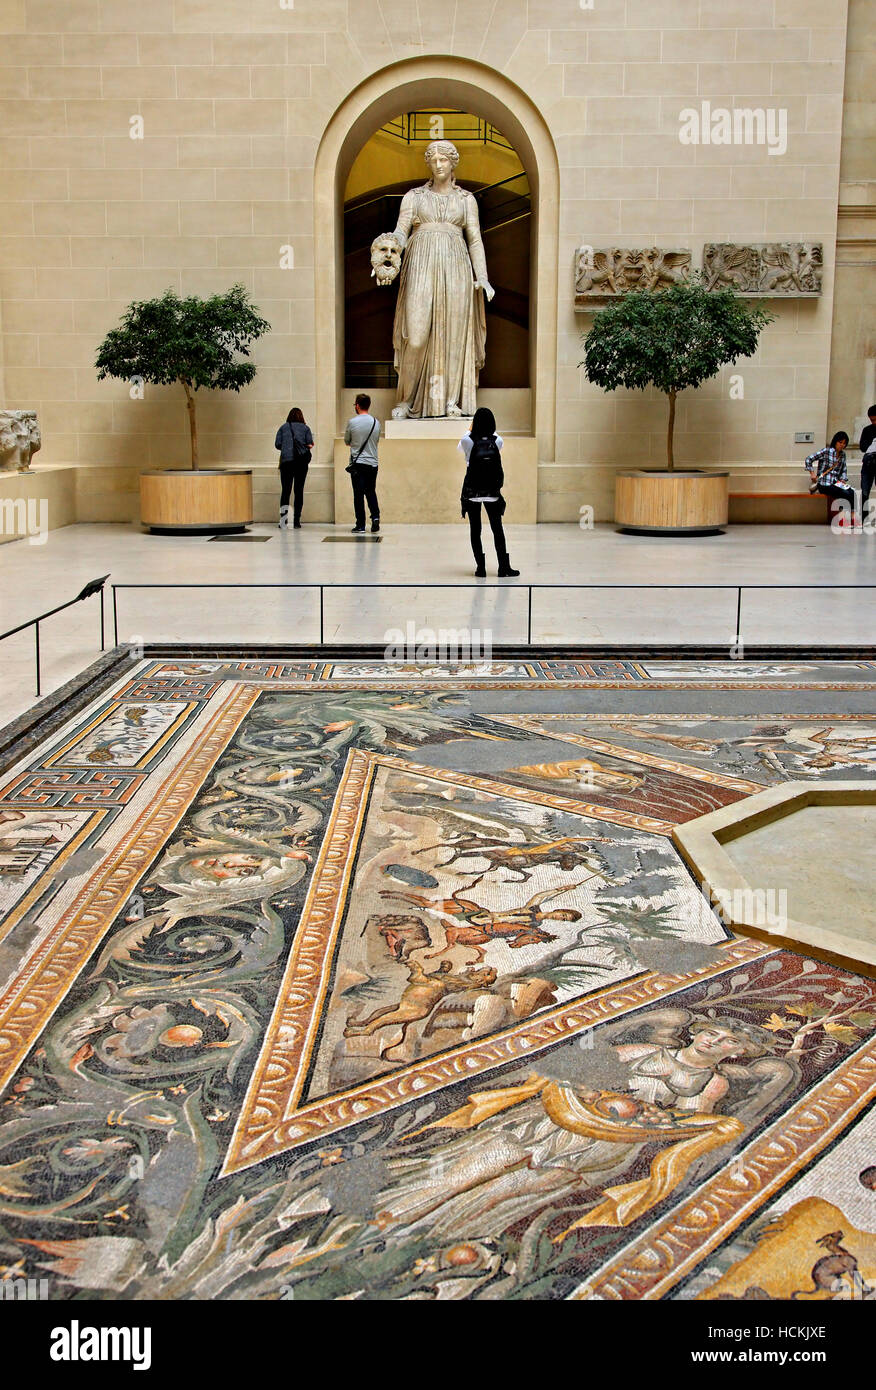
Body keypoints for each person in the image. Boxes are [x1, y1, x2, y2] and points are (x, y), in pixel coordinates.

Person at [371, 140, 494, 420]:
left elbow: (474, 239)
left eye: (444, 160)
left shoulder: (466, 200)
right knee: (415, 337)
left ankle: (450, 401)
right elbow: (401, 231)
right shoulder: (413, 197)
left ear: (453, 163)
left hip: (456, 266)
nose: (438, 164)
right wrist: (388, 252)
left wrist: (483, 277)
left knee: (452, 336)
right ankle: (407, 399)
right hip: (420, 264)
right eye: (434, 160)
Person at [459, 406, 518, 577]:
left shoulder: (467, 441)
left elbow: (465, 441)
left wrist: (471, 428)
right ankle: (503, 567)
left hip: (472, 492)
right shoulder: (498, 441)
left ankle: (481, 567)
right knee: (497, 530)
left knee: (475, 530)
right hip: (492, 492)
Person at [805, 431, 858, 529]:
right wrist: (812, 473)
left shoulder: (843, 455)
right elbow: (809, 459)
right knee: (843, 493)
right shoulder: (826, 451)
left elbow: (843, 469)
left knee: (852, 492)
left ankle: (853, 519)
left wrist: (843, 479)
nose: (842, 445)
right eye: (840, 442)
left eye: (844, 443)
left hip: (835, 483)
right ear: (835, 442)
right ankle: (843, 520)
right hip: (824, 483)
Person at [344, 392, 381, 534]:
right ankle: (375, 517)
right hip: (373, 463)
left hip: (358, 463)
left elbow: (347, 441)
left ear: (357, 406)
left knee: (358, 494)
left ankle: (360, 524)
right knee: (371, 491)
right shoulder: (375, 423)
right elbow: (376, 441)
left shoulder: (352, 422)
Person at [274, 407, 313, 529]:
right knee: (298, 490)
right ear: (301, 416)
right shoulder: (306, 428)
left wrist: (287, 447)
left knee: (286, 491)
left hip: (286, 462)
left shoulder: (283, 427)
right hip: (301, 463)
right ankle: (296, 521)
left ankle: (284, 520)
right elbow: (310, 444)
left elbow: (277, 444)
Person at [859, 404, 876, 518]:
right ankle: (864, 517)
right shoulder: (867, 430)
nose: (874, 422)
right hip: (868, 462)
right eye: (872, 420)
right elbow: (862, 446)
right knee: (865, 491)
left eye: (875, 420)